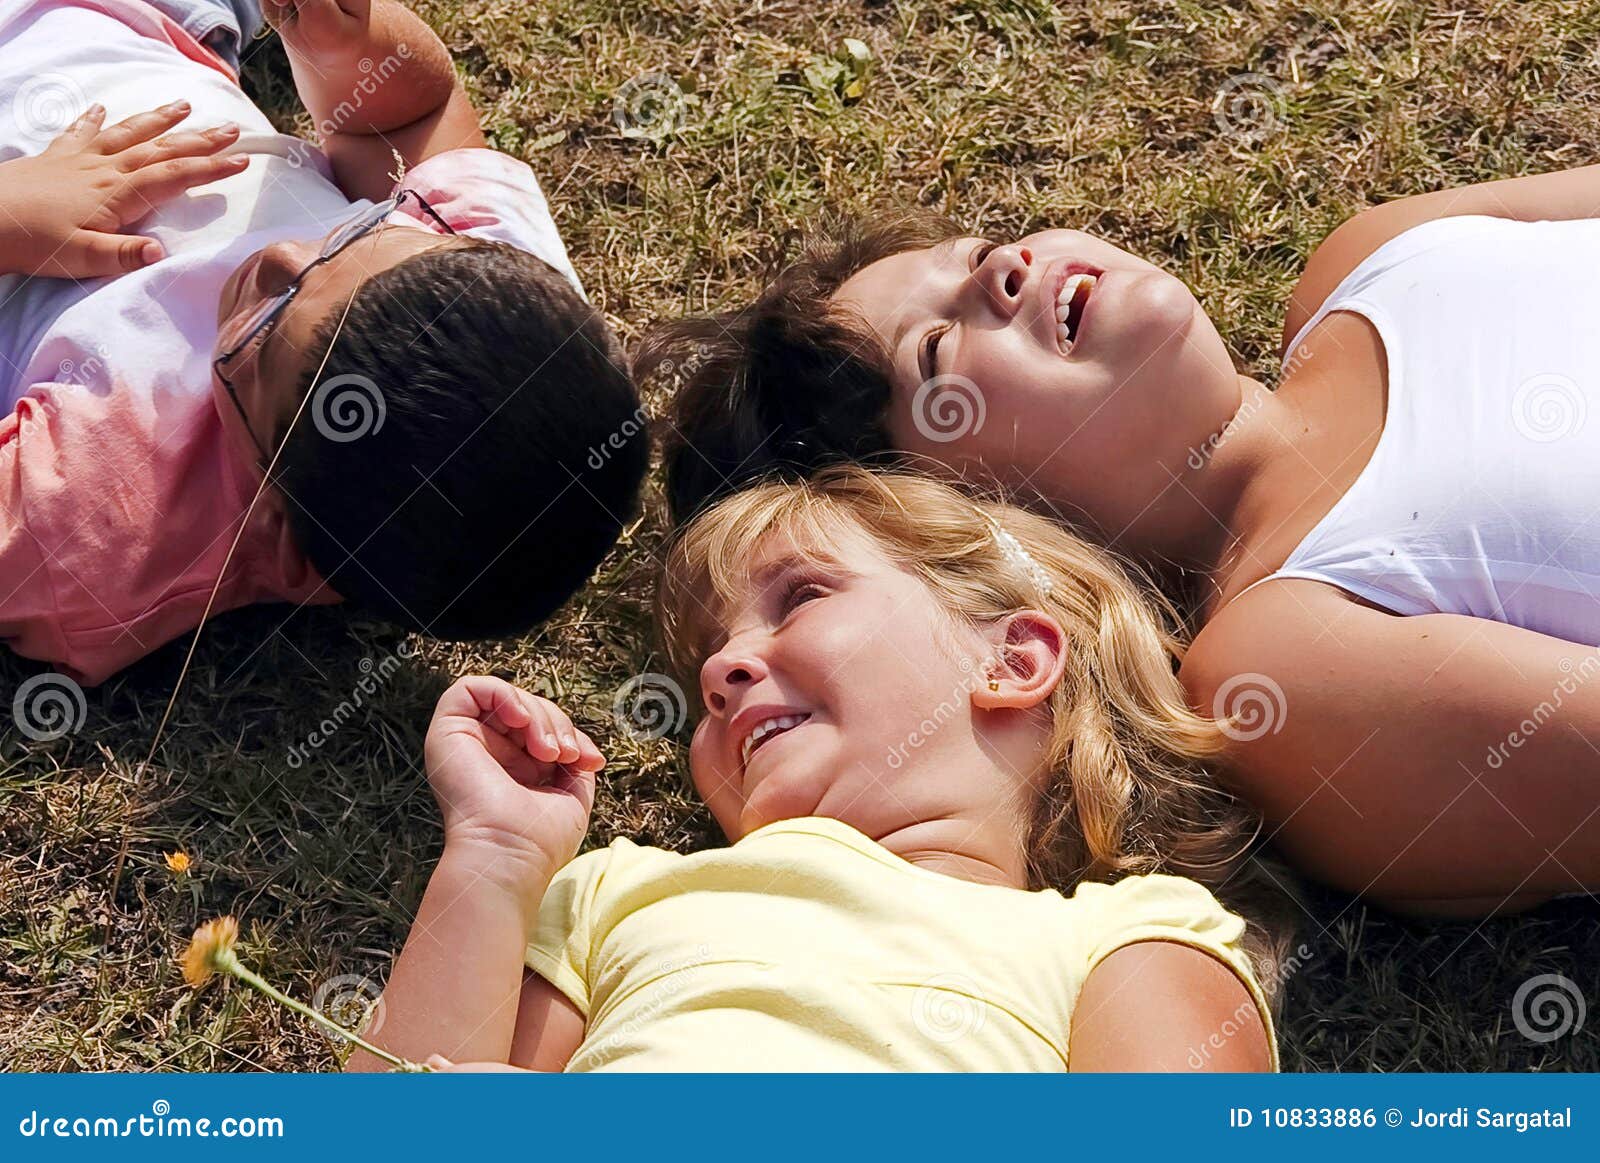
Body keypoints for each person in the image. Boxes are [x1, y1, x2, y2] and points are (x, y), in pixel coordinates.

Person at [644, 174, 1600, 915]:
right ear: (957, 519)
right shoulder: (1287, 673)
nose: (998, 270)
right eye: (936, 349)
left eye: (976, 250)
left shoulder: (1377, 256)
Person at [352, 470, 1288, 1072]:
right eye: (713, 656)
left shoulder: (1134, 932)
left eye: (800, 596)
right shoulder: (619, 892)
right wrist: (496, 853)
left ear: (1010, 662)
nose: (720, 672)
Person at [0, 0, 647, 685]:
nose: (279, 256)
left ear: (275, 520)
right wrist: (347, 50)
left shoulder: (93, 522)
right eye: (353, 232)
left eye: (269, 322)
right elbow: (413, 119)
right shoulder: (495, 296)